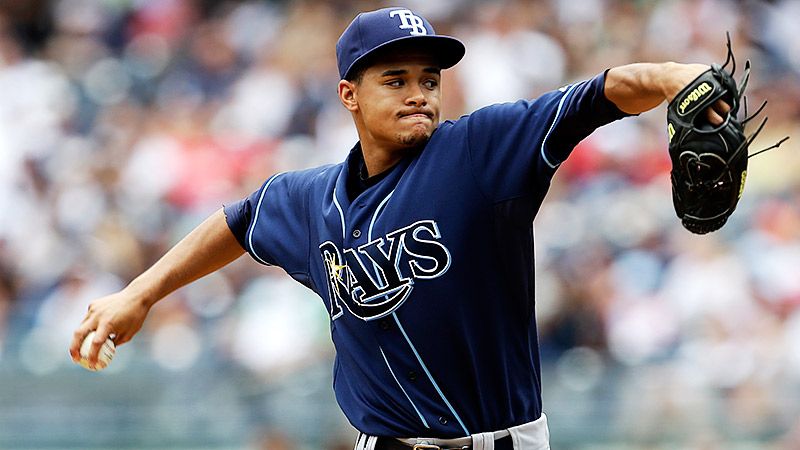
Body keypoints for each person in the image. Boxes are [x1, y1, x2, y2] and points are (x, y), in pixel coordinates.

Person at [70, 7, 731, 450]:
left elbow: (597, 96)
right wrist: (141, 293)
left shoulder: (477, 151)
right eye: (396, 79)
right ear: (349, 95)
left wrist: (674, 77)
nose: (419, 92)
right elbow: (239, 220)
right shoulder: (310, 200)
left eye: (429, 78)